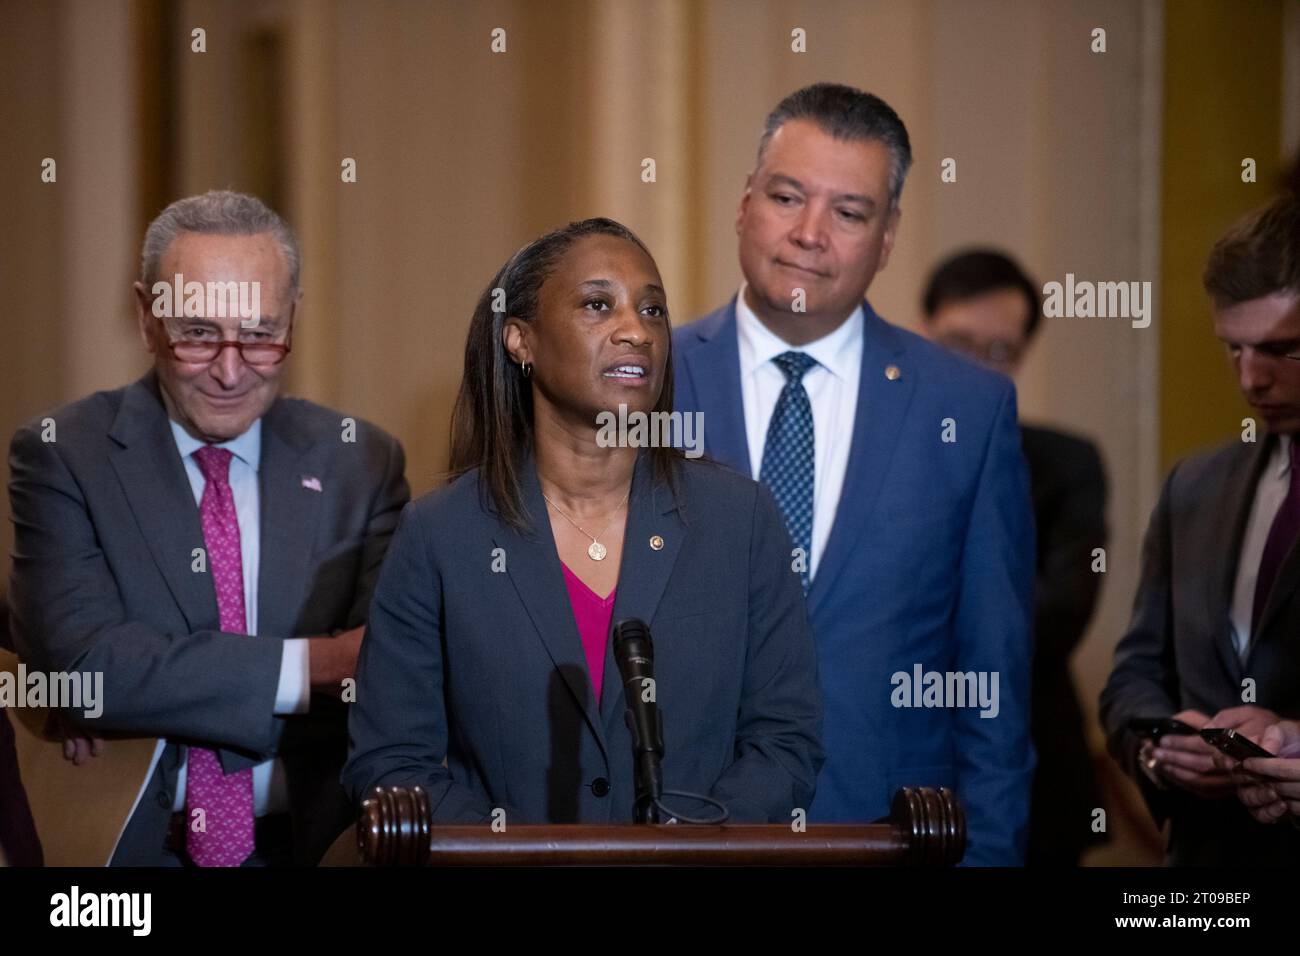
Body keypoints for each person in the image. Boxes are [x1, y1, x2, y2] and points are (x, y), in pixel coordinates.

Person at [343, 218, 823, 824]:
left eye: (653, 311)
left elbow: (785, 745)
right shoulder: (440, 536)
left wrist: (684, 846)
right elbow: (390, 766)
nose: (636, 332)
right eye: (599, 305)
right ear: (521, 341)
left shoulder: (739, 520)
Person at [672, 83, 1035, 865]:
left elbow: (991, 684)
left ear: (889, 235)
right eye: (786, 196)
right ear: (744, 204)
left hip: (888, 835)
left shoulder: (967, 410)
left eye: (848, 211)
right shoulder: (645, 381)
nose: (809, 234)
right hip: (676, 831)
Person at [7, 190, 409, 865]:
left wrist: (146, 686)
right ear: (146, 317)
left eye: (258, 334)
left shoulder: (358, 461)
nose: (229, 371)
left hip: (313, 849)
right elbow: (82, 669)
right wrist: (311, 663)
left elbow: (389, 672)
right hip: (133, 859)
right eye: (197, 333)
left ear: (294, 318)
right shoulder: (64, 453)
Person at [1100, 194, 1300, 864]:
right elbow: (1133, 676)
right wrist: (1161, 753)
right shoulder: (1194, 486)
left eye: (1280, 350)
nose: (1250, 379)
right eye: (1234, 349)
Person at [921, 249, 1109, 865]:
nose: (975, 367)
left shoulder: (1067, 463)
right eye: (957, 344)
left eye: (998, 352)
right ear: (923, 335)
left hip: (1033, 764)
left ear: (1024, 356)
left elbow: (1060, 613)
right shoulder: (873, 451)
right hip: (892, 766)